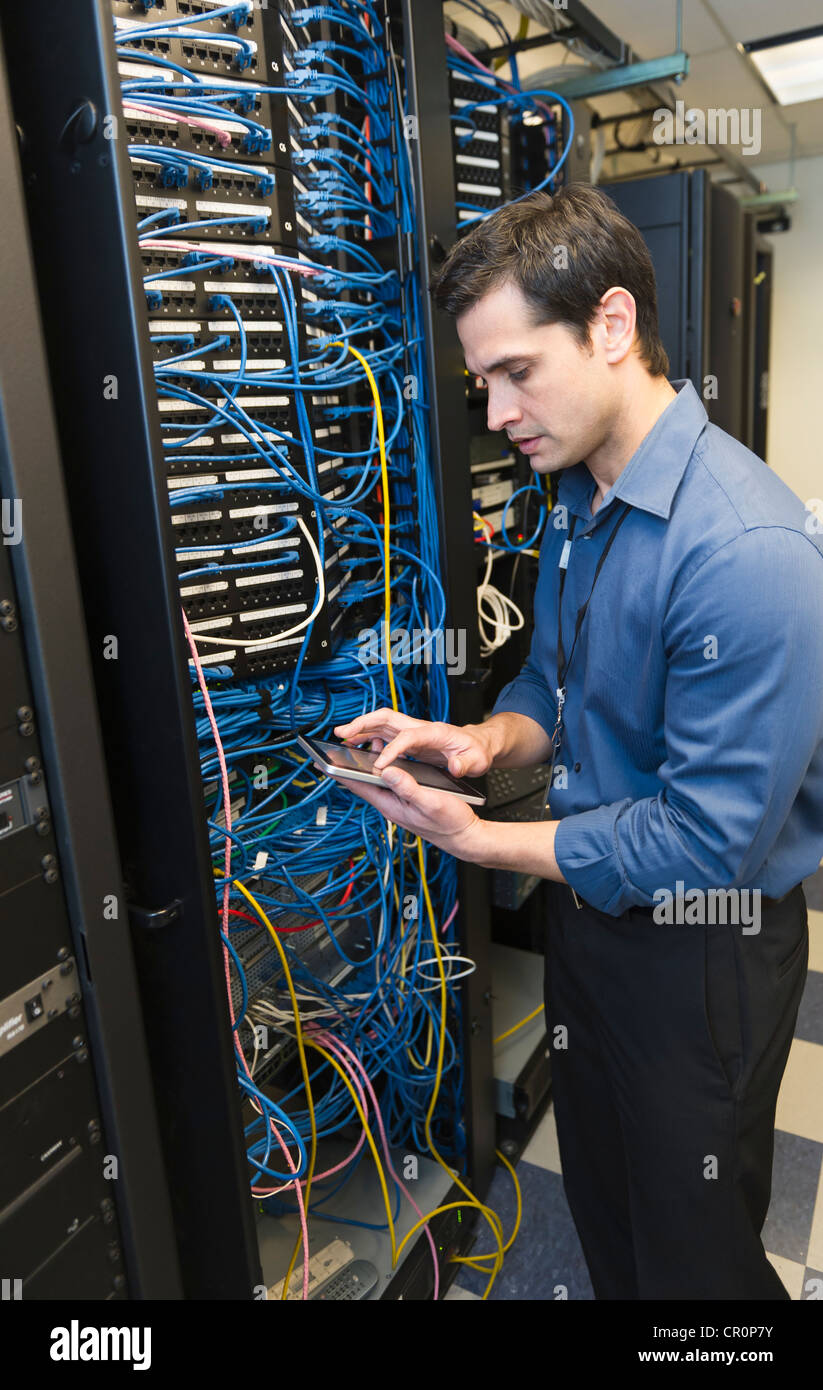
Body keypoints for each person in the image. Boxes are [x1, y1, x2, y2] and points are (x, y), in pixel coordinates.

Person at [332, 184, 823, 1299]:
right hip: (591, 916)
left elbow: (705, 845)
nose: (498, 412)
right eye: (482, 383)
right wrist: (473, 741)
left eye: (516, 372)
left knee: (693, 1253)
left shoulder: (745, 549)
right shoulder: (576, 501)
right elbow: (550, 688)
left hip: (703, 950)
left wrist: (477, 840)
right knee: (603, 1200)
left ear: (610, 325)